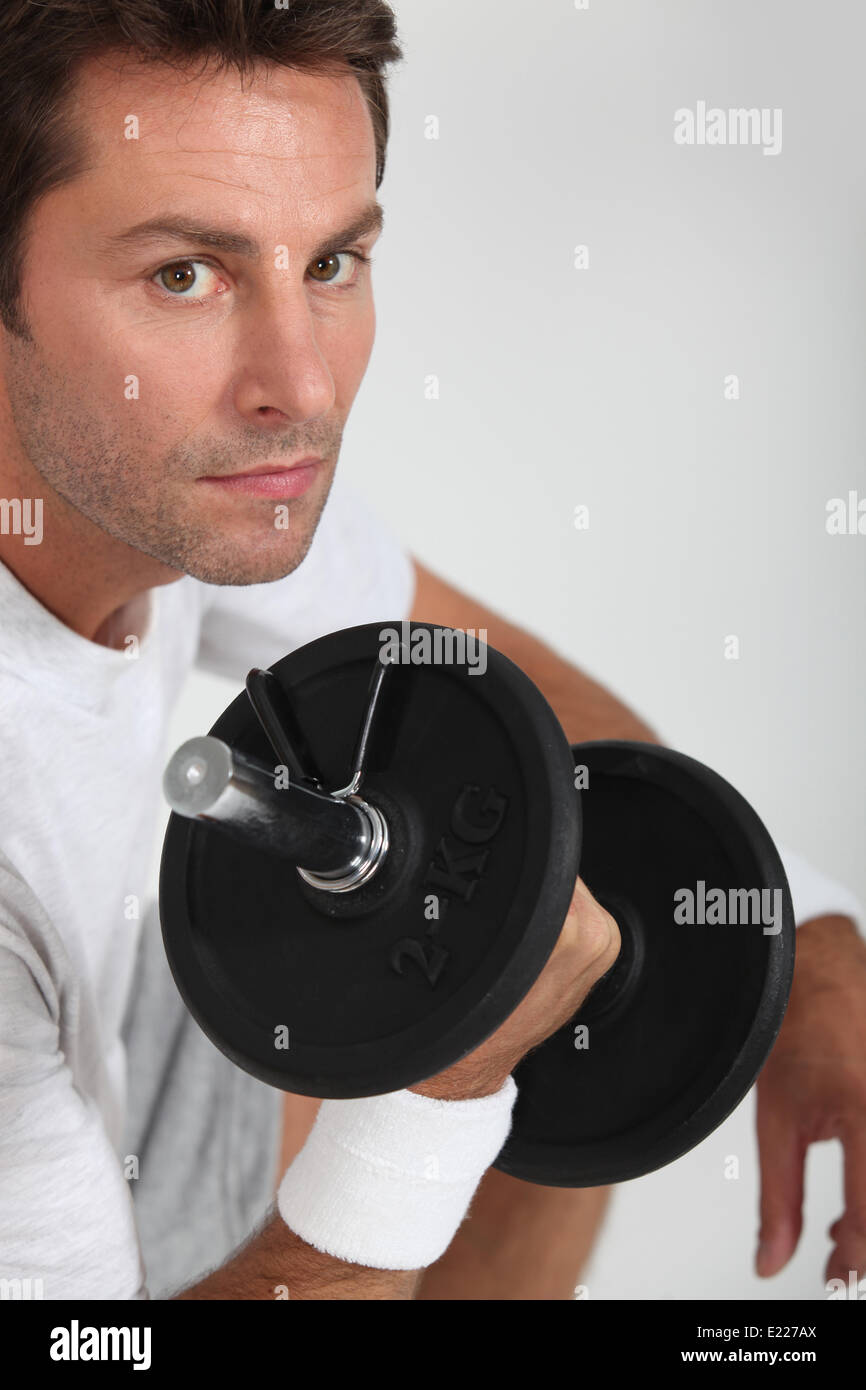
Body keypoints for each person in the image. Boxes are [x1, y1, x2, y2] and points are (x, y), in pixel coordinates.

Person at [0, 0, 862, 1301]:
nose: (302, 385)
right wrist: (429, 1108)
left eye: (332, 262)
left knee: (537, 886)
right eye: (185, 275)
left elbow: (522, 713)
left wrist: (805, 934)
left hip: (109, 1070)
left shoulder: (177, 479)